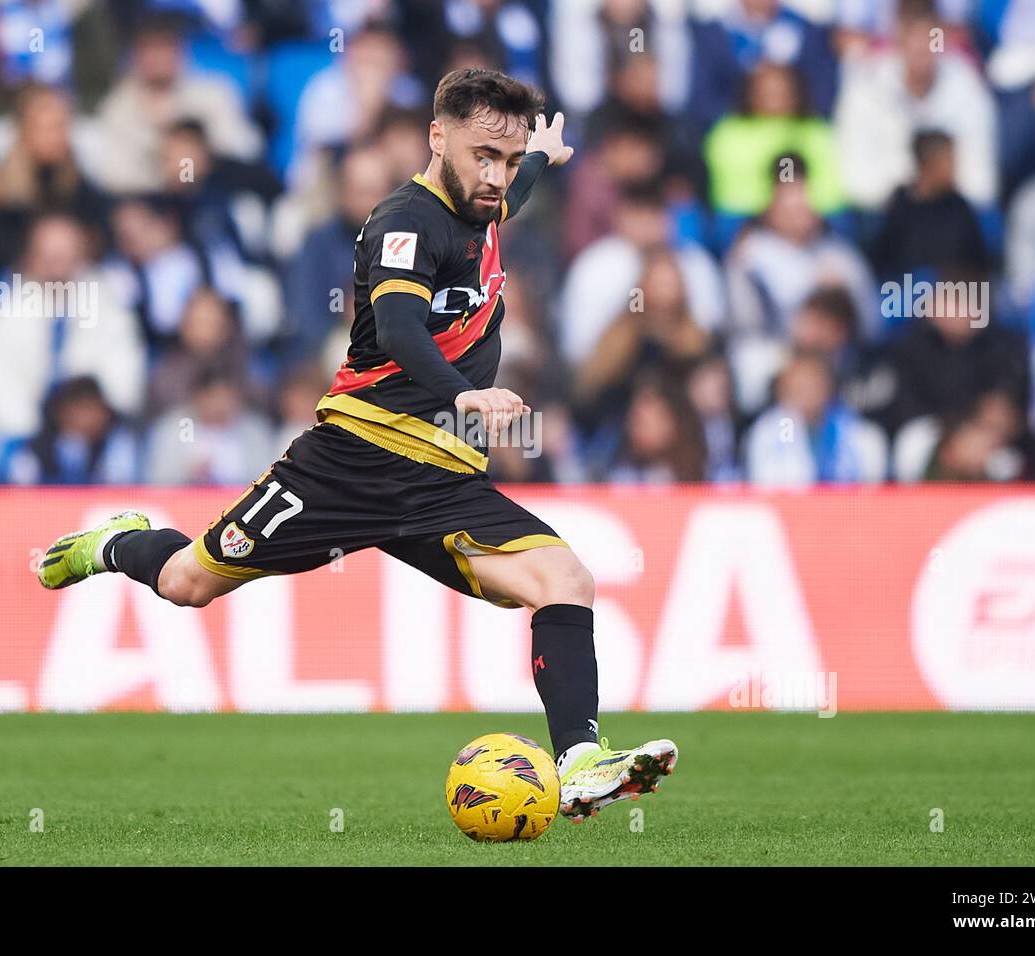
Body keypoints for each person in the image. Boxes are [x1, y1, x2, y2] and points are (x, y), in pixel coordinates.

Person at [35, 68, 678, 821]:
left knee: (566, 579)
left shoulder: (491, 199)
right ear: (437, 138)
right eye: (482, 156)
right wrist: (461, 392)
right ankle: (118, 543)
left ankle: (578, 762)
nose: (496, 176)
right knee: (186, 583)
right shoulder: (404, 221)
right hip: (350, 463)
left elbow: (515, 184)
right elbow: (402, 329)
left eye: (506, 163)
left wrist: (541, 157)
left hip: (442, 483)